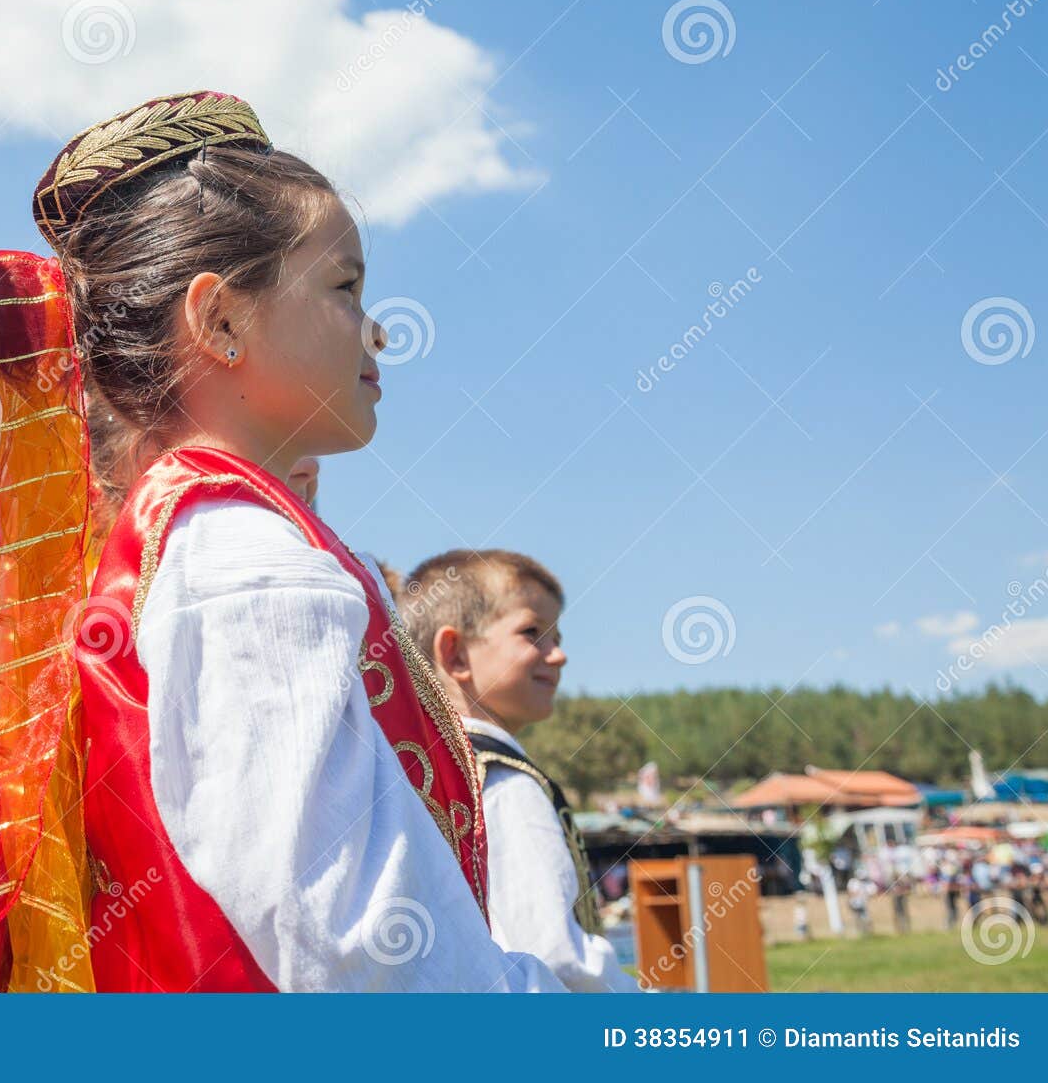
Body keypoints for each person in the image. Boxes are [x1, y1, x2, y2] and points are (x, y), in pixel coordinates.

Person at [44, 90, 561, 992]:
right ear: (222, 321)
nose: (381, 327)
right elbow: (351, 938)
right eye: (345, 286)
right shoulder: (247, 559)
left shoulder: (204, 532)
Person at [400, 548, 638, 992]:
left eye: (558, 638)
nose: (559, 656)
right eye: (534, 633)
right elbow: (555, 958)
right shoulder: (506, 783)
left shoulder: (423, 774)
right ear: (455, 654)